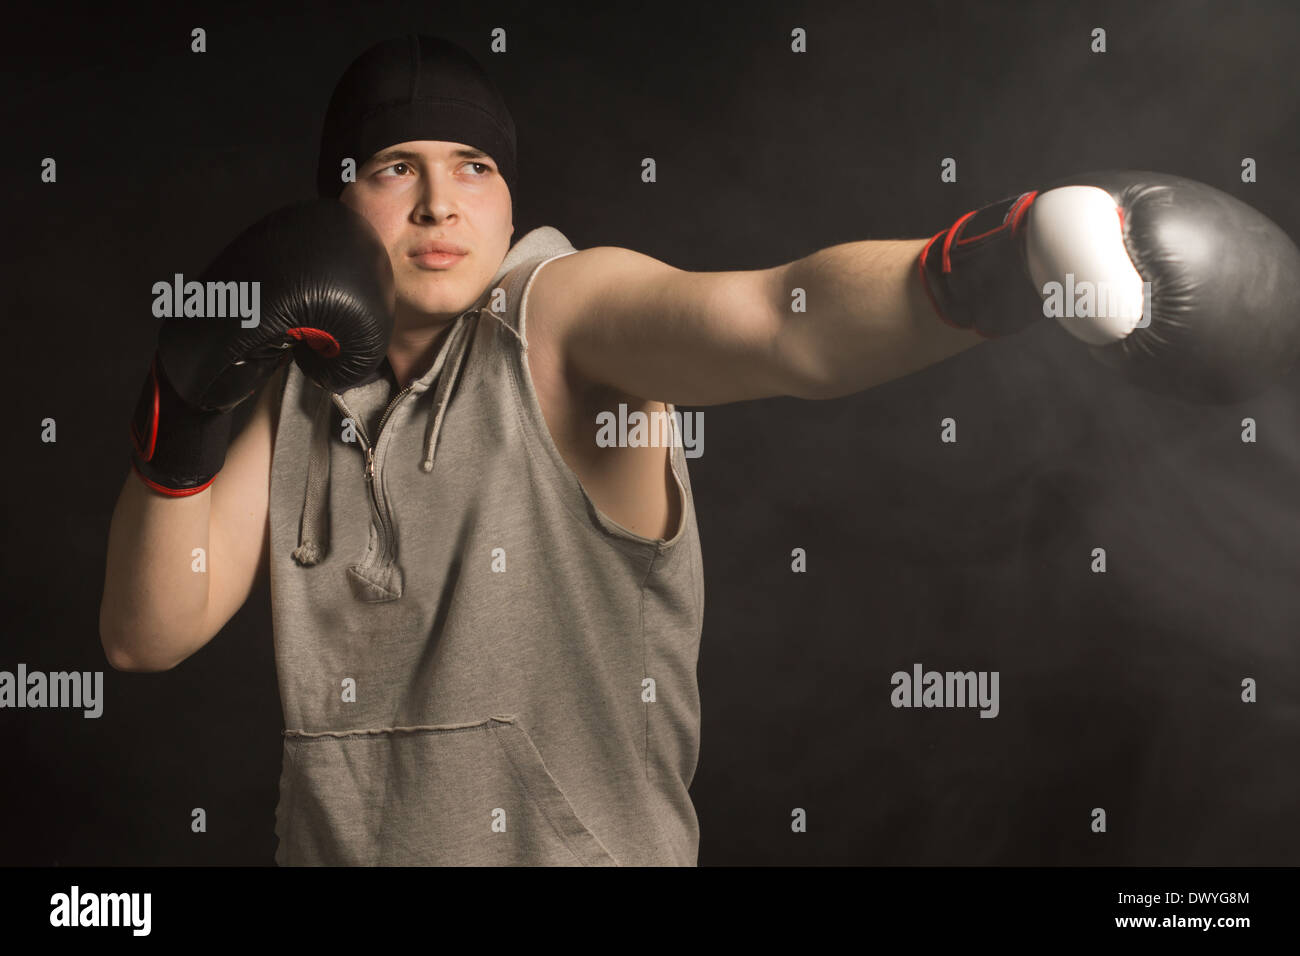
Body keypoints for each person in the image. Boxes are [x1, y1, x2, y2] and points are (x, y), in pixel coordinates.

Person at [98, 34, 1300, 866]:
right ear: (337, 202)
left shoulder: (562, 314)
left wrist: (992, 260)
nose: (439, 203)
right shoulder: (296, 384)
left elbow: (779, 321)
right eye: (392, 167)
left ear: (508, 198)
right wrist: (186, 408)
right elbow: (146, 634)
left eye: (474, 167)